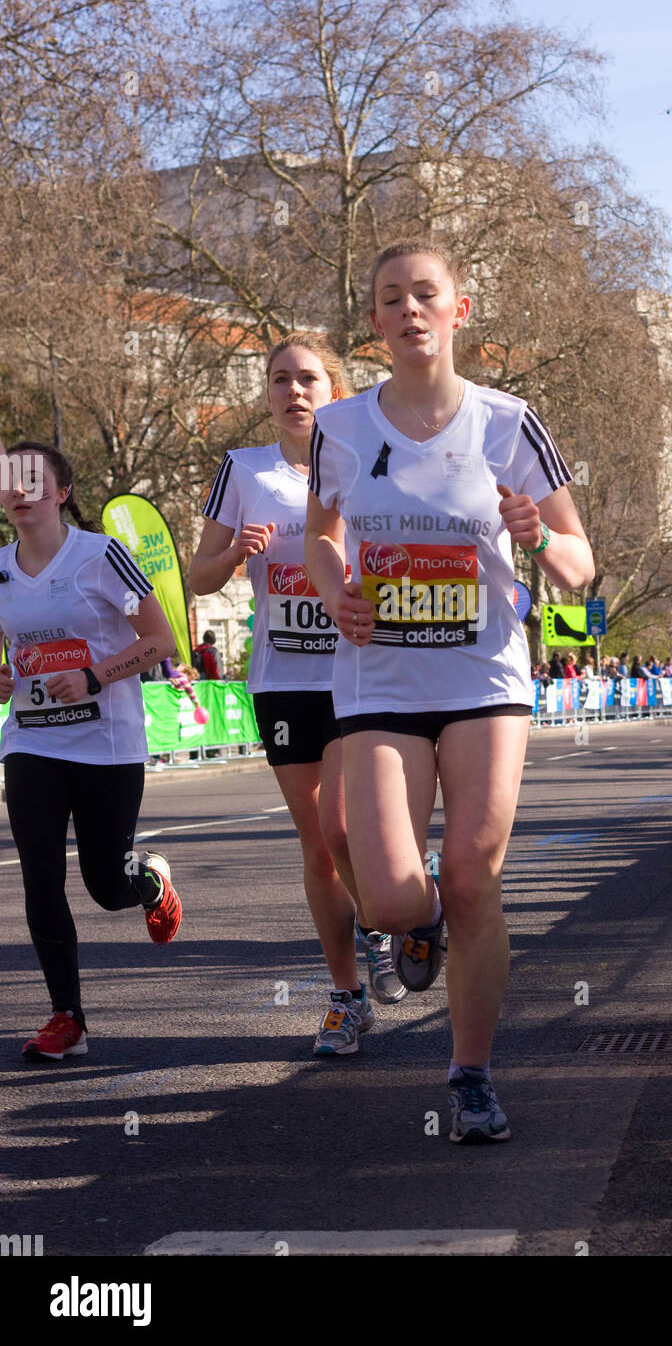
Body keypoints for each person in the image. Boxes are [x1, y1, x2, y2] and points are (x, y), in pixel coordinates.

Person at [305, 239, 594, 1142]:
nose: (410, 311)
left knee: (473, 875)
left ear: (458, 310)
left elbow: (581, 568)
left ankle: (470, 1074)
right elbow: (320, 536)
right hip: (379, 678)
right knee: (390, 898)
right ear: (376, 322)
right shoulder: (342, 429)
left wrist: (537, 539)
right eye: (391, 299)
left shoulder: (510, 422)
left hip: (483, 677)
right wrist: (332, 590)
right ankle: (416, 923)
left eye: (426, 294)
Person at [190, 332, 406, 1057]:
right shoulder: (242, 470)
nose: (294, 391)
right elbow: (196, 579)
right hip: (281, 679)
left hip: (351, 675)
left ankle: (381, 924)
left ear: (334, 390)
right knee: (317, 846)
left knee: (343, 829)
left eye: (308, 378)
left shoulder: (366, 465)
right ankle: (346, 997)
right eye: (280, 380)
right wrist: (231, 555)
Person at [0, 442, 181, 1060]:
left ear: (61, 493)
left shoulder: (102, 555)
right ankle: (66, 1018)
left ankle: (147, 877)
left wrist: (95, 675)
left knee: (106, 885)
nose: (18, 490)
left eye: (32, 480)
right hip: (31, 740)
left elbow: (161, 639)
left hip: (106, 743)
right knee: (40, 874)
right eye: (8, 481)